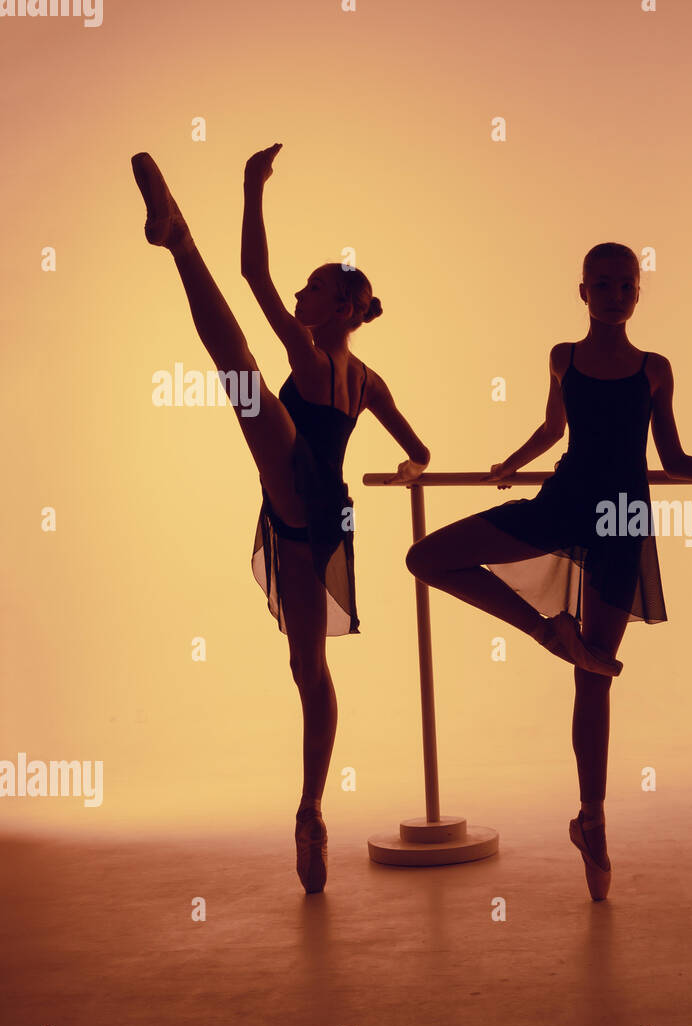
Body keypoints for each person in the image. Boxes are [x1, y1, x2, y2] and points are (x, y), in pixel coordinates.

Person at [405, 242, 692, 901]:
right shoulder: (563, 358)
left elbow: (672, 458)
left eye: (626, 284)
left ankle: (591, 819)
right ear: (582, 292)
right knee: (428, 556)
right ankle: (542, 630)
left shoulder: (655, 369)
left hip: (622, 521)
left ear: (638, 294)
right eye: (602, 284)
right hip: (563, 502)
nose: (615, 293)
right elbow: (554, 427)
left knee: (595, 676)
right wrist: (510, 461)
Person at [131, 146, 430, 895]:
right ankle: (311, 809)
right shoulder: (367, 382)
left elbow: (253, 278)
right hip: (315, 520)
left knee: (235, 365)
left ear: (342, 309)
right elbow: (420, 449)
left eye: (314, 287)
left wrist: (250, 189)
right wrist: (411, 469)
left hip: (301, 492)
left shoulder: (312, 354)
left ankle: (179, 240)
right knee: (308, 670)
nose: (298, 293)